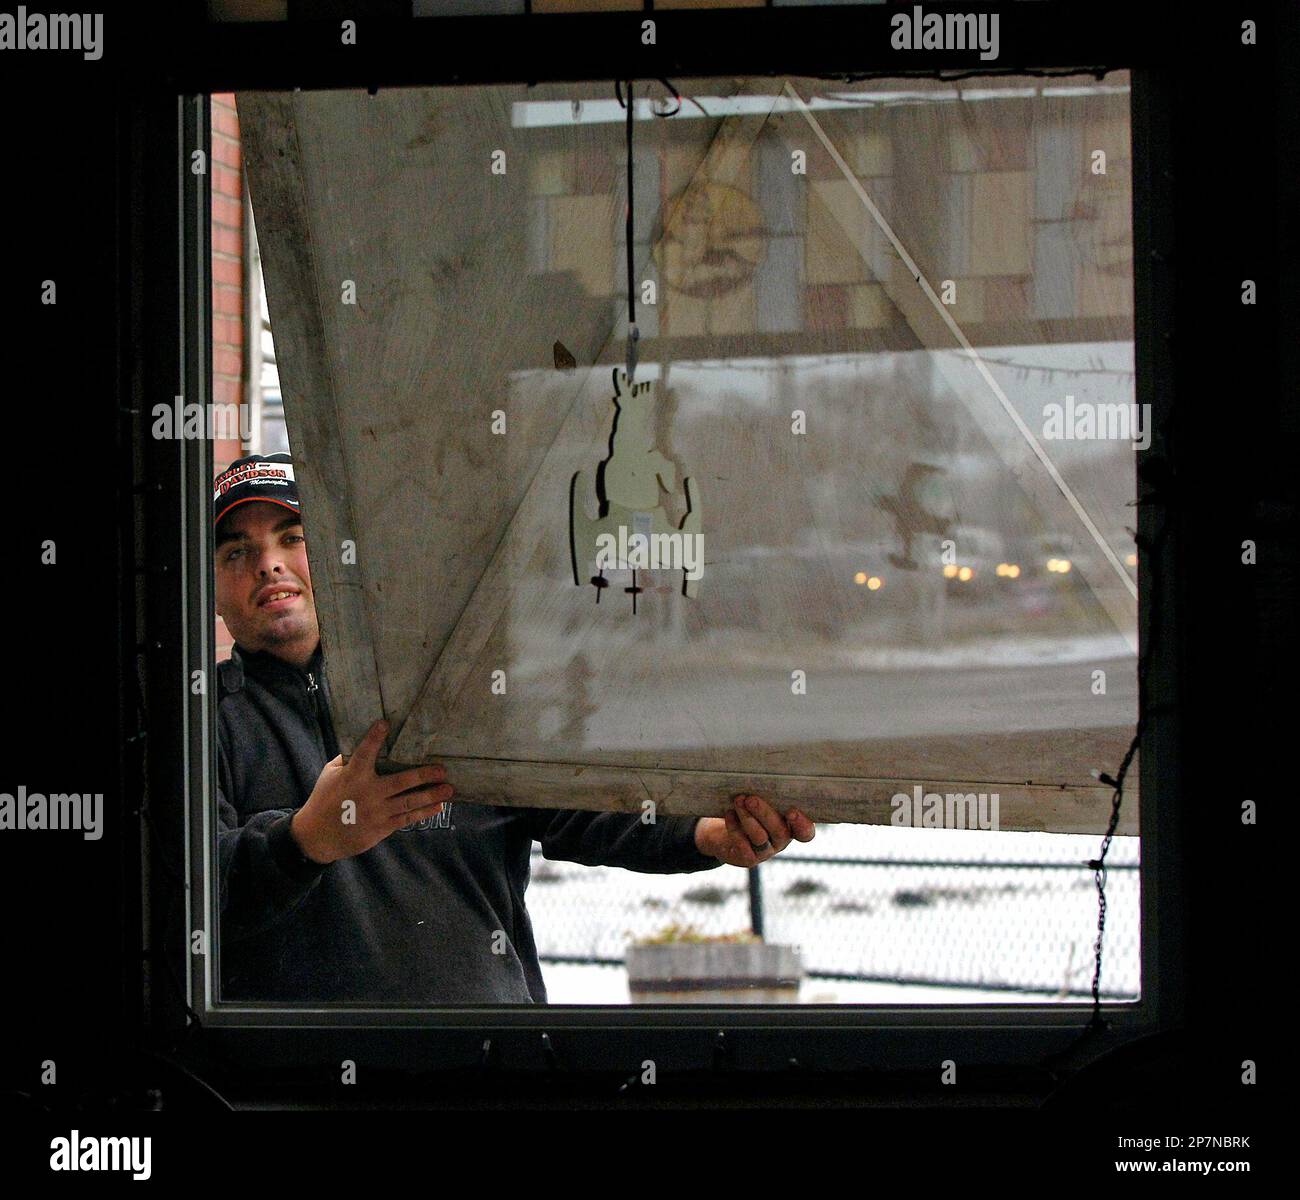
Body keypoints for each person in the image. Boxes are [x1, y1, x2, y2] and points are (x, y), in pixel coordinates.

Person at [214, 453, 816, 1004]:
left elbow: (575, 803)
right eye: (237, 552)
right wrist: (305, 841)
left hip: (489, 1058)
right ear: (211, 589)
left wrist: (704, 831)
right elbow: (190, 898)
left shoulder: (437, 694)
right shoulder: (198, 723)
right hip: (297, 1071)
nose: (269, 564)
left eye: (293, 538)